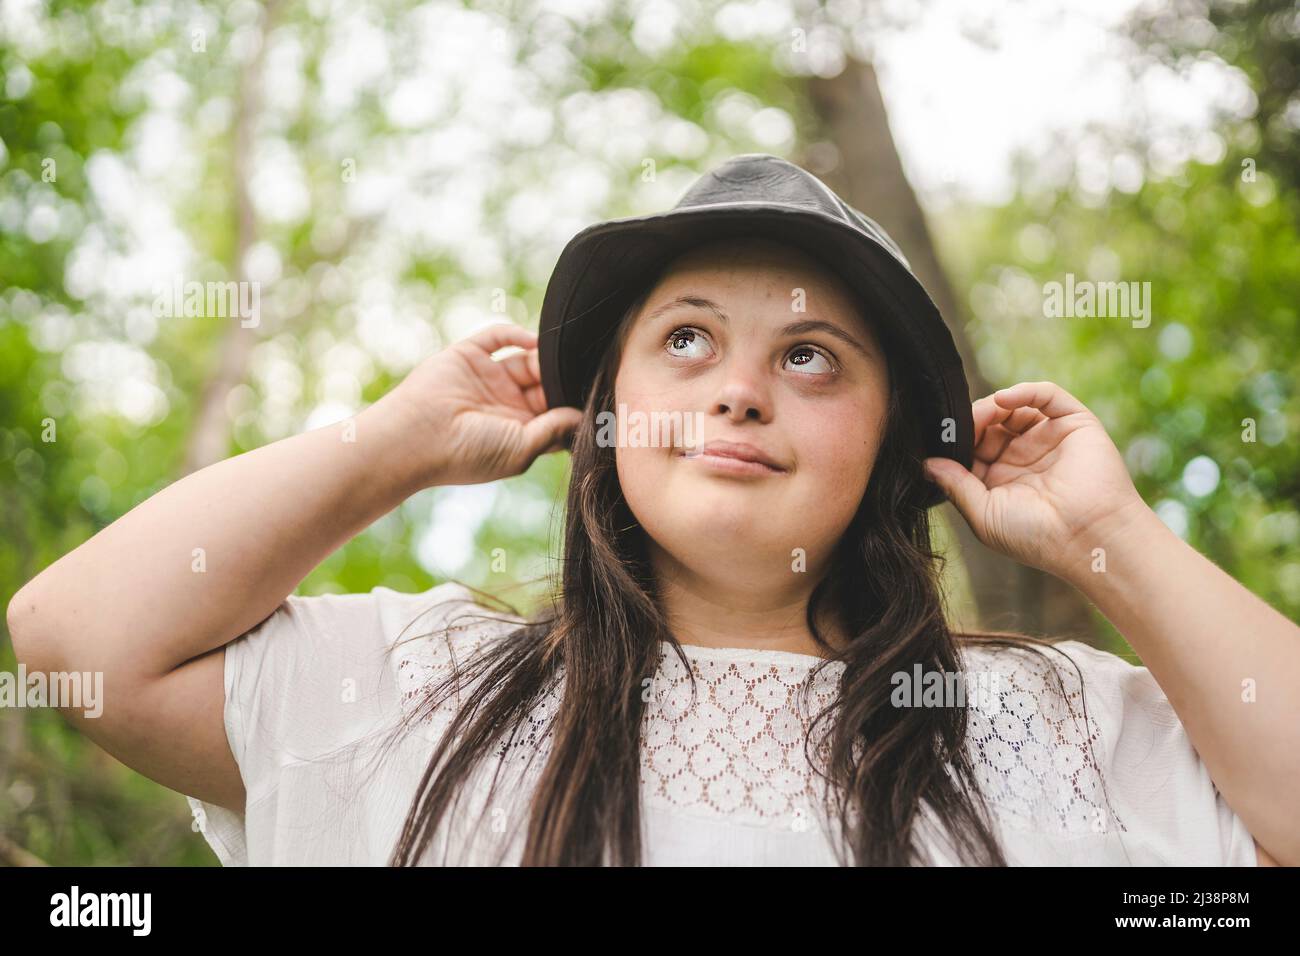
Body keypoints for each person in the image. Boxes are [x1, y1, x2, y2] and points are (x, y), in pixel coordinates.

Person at [8, 156, 1296, 867]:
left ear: (893, 444)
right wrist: (385, 449)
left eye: (810, 357)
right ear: (604, 412)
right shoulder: (417, 691)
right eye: (687, 340)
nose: (740, 390)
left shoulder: (1051, 723)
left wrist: (1111, 543)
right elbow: (74, 647)